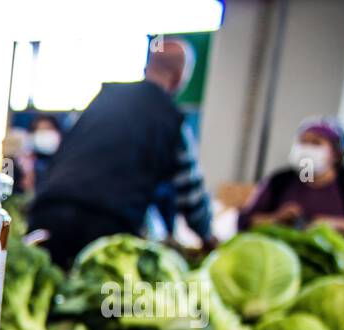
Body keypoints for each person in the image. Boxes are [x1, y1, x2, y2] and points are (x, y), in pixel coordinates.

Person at [28, 39, 214, 268]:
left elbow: (64, 152)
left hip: (49, 210)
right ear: (178, 78)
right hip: (106, 230)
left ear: (147, 68)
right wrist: (207, 236)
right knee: (92, 299)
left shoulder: (104, 99)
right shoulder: (172, 121)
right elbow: (191, 194)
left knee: (42, 292)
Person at [238, 118, 344, 235]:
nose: (307, 148)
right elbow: (245, 221)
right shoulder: (280, 181)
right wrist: (276, 218)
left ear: (336, 153)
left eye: (316, 143)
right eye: (303, 142)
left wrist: (336, 224)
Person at [27, 113, 62, 190]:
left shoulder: (66, 157)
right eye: (41, 130)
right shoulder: (25, 162)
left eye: (49, 129)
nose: (46, 134)